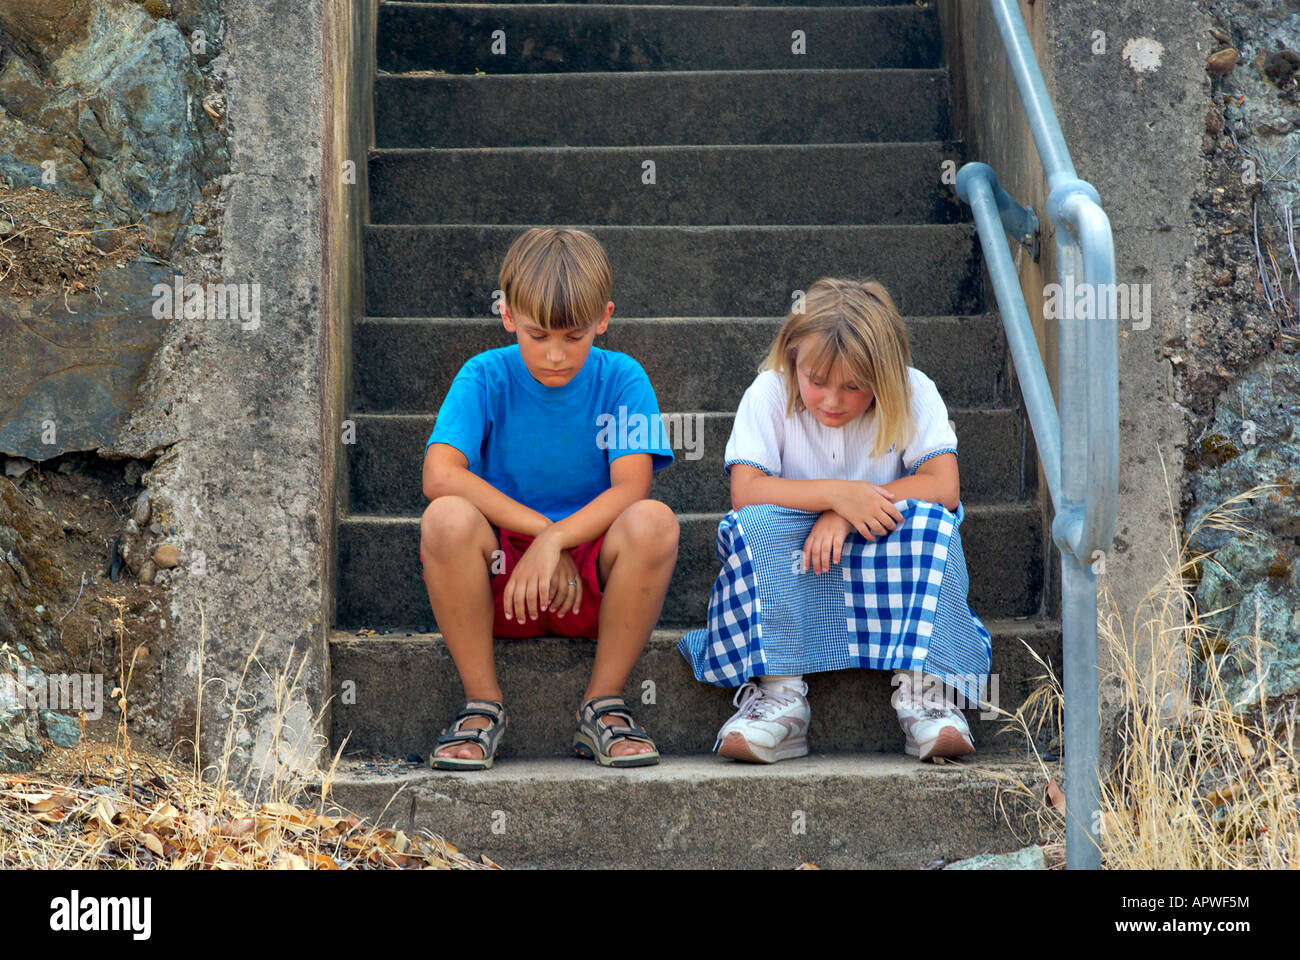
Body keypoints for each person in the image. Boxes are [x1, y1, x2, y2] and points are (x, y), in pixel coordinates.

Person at [678, 277, 993, 763]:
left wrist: (845, 514)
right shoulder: (769, 392)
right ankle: (781, 697)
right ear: (792, 358)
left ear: (884, 376)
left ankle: (926, 692)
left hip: (879, 543)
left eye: (853, 386)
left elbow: (943, 485)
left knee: (934, 525)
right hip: (801, 557)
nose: (831, 400)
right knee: (753, 527)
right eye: (817, 381)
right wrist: (834, 498)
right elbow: (747, 492)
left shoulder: (914, 390)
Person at [420, 227, 678, 770]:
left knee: (654, 522)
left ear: (603, 319)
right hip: (503, 579)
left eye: (574, 336)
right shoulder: (485, 376)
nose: (556, 355)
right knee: (445, 519)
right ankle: (482, 706)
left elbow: (633, 488)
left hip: (590, 581)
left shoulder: (622, 378)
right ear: (508, 314)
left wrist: (560, 538)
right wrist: (541, 535)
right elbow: (439, 476)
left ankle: (603, 705)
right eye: (537, 336)